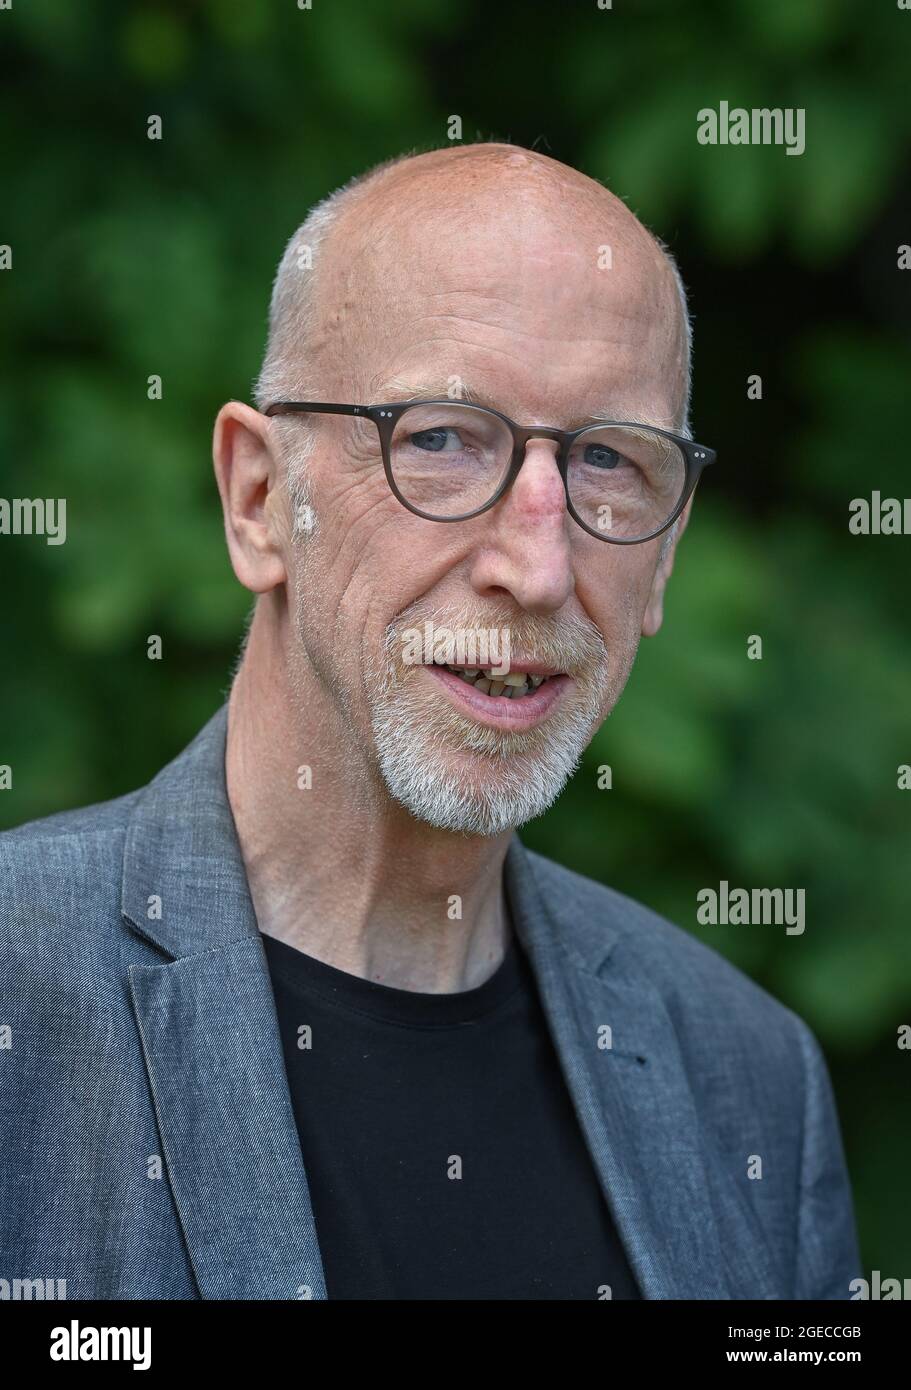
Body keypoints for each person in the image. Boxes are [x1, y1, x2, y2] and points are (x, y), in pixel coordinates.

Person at [0, 143, 861, 1300]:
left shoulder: (749, 1081)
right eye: (443, 438)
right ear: (259, 500)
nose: (539, 565)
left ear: (665, 556)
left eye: (607, 460)